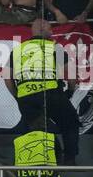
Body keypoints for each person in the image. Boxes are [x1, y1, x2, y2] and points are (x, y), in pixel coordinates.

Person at [7, 17, 80, 163]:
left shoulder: (18, 50)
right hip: (52, 95)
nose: (52, 31)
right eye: (50, 28)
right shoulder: (54, 48)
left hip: (27, 99)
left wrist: (18, 96)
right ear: (45, 30)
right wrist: (70, 92)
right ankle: (69, 160)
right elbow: (72, 76)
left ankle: (44, 159)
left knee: (40, 129)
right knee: (70, 122)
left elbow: (7, 79)